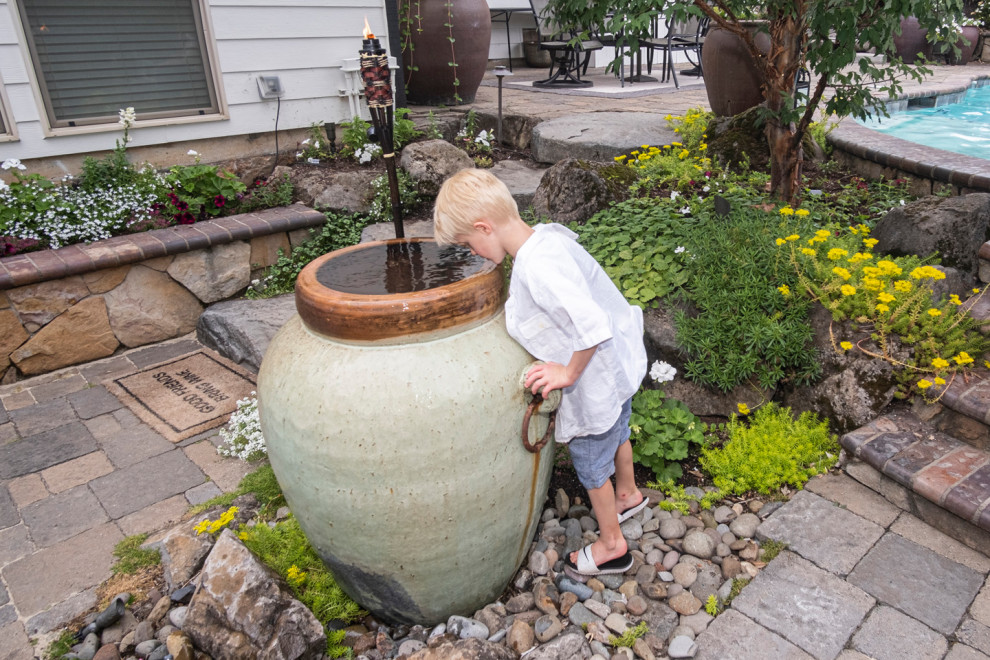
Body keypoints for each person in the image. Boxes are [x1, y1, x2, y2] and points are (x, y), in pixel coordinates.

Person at [433, 169, 648, 577]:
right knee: (619, 430)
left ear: (484, 227)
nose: (472, 252)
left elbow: (591, 326)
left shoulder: (537, 269)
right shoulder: (544, 238)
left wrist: (568, 372)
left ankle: (612, 546)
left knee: (589, 462)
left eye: (468, 243)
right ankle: (629, 493)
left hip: (593, 378)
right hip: (617, 368)